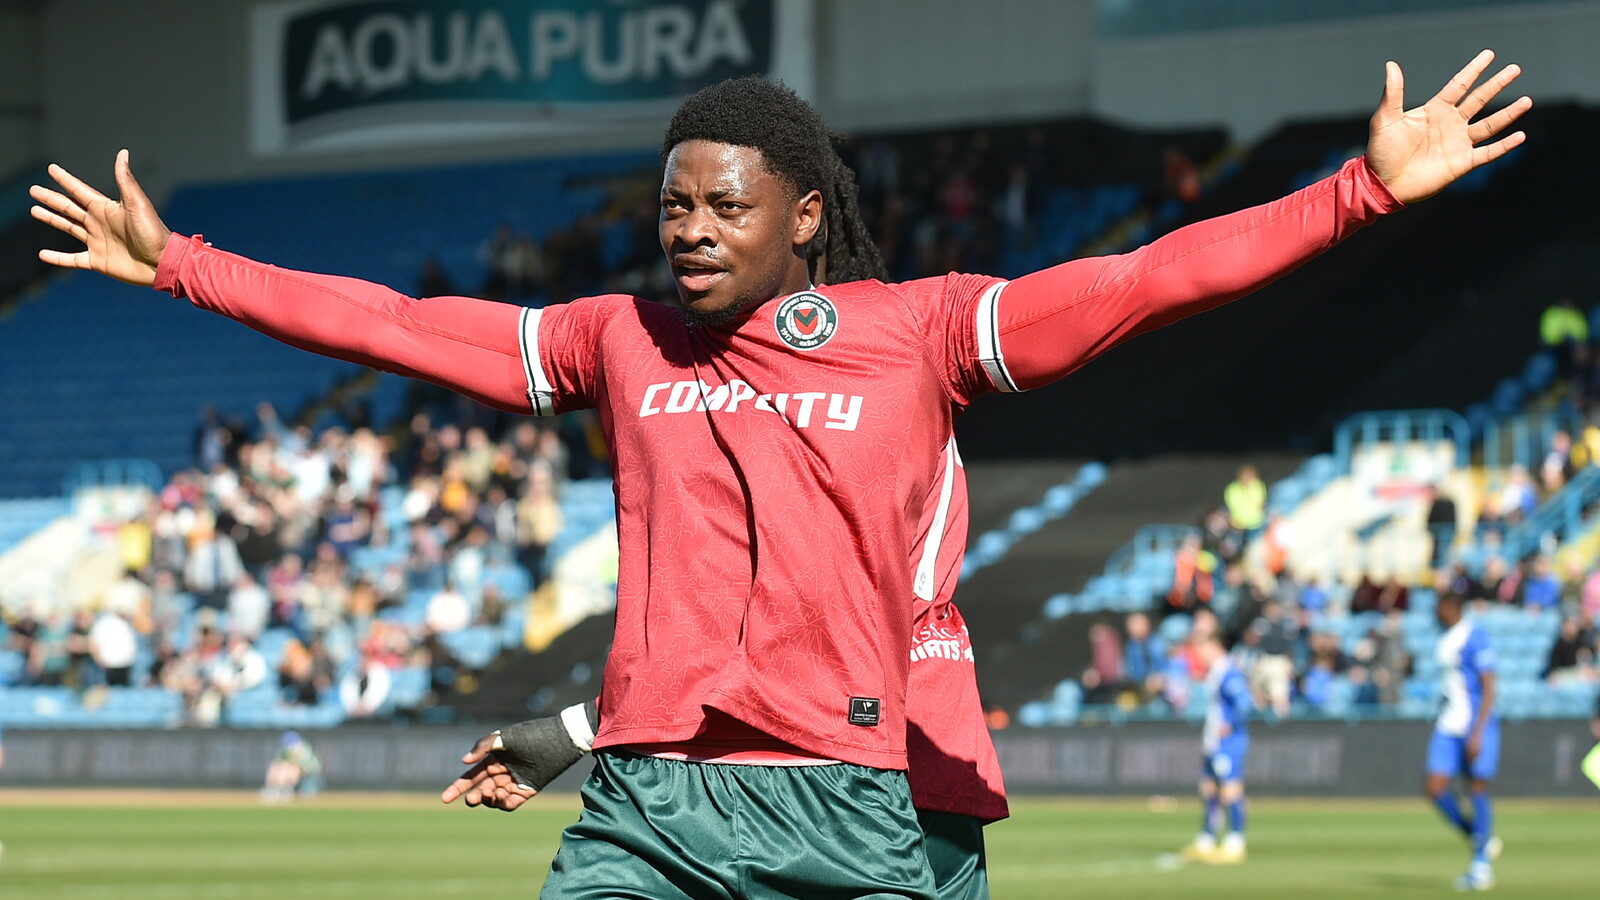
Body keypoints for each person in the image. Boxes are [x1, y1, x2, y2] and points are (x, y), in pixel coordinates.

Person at [32, 52, 1529, 898]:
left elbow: (1144, 281)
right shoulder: (621, 340)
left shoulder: (918, 333)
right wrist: (184, 264)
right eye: (671, 202)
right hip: (654, 815)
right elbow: (406, 326)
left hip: (871, 815)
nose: (685, 226)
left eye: (722, 201)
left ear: (804, 216)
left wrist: (1357, 191)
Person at [1426, 589, 1503, 892]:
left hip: (1474, 723)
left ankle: (1480, 865)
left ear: (1451, 607)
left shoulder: (1475, 637)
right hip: (1448, 722)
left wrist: (1479, 731)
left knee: (1477, 787)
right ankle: (1479, 835)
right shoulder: (1444, 637)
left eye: (1439, 607)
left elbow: (1489, 687)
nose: (1435, 612)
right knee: (1434, 788)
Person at [1179, 631, 1254, 865]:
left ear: (1215, 646)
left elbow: (1245, 704)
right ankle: (1207, 840)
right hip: (1213, 742)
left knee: (1231, 791)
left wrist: (1230, 725)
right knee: (1209, 789)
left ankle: (1235, 842)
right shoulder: (1216, 672)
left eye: (1203, 648)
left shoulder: (1229, 673)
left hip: (1228, 743)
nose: (1200, 653)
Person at [261, 730, 323, 803]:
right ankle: (273, 788)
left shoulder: (304, 749)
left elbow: (308, 769)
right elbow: (278, 764)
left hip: (311, 778)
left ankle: (285, 789)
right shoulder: (284, 751)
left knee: (293, 767)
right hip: (294, 778)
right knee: (278, 765)